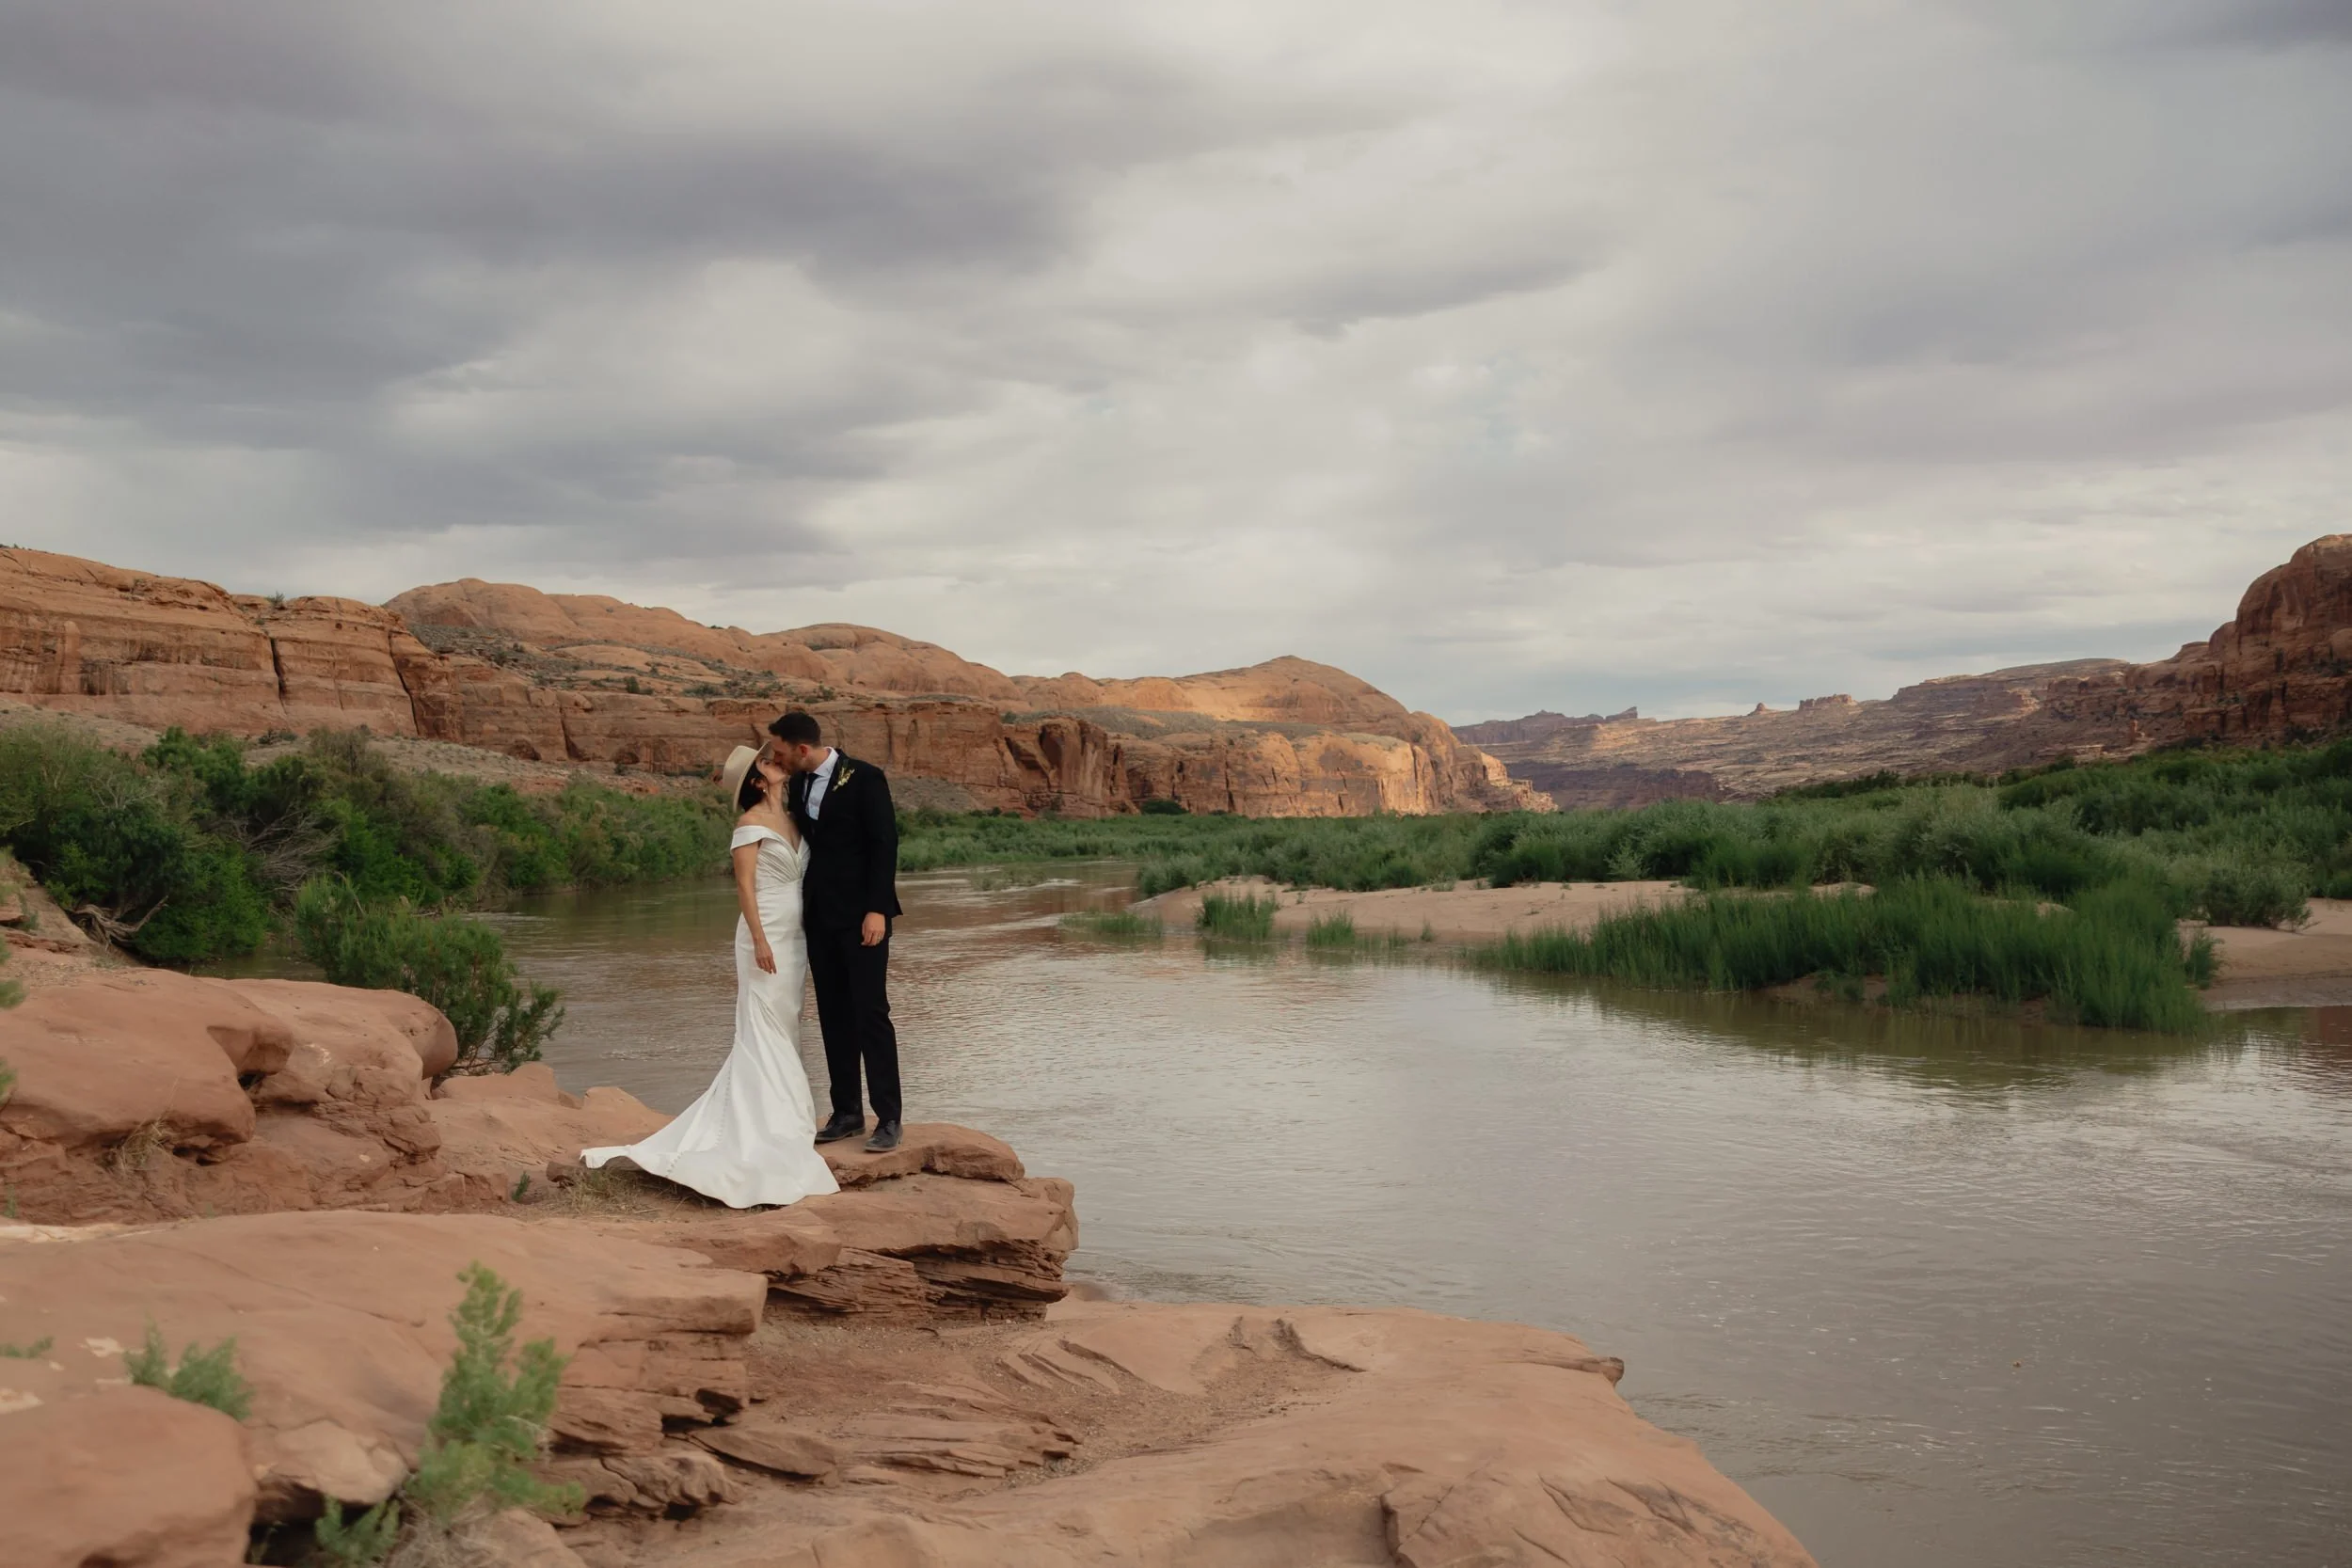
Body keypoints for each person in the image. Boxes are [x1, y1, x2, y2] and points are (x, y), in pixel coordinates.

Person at [577, 744, 839, 1207]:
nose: (776, 762)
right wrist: (759, 939)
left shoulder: (797, 820)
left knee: (786, 1025)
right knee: (761, 1027)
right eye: (767, 762)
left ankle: (781, 1119)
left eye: (776, 759)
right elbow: (743, 887)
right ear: (757, 782)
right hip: (765, 936)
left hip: (796, 940)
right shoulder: (749, 825)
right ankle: (762, 1128)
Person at [768, 710, 905, 1153]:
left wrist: (877, 910)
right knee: (833, 1015)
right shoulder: (801, 784)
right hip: (820, 918)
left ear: (801, 749)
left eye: (780, 751)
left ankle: (888, 1119)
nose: (778, 758)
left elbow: (885, 844)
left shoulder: (865, 777)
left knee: (871, 1014)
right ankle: (846, 1112)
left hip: (863, 918)